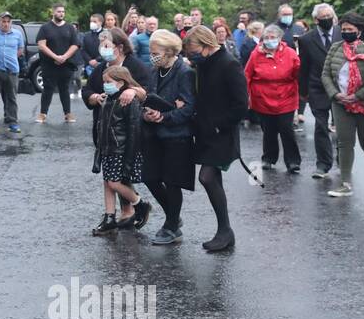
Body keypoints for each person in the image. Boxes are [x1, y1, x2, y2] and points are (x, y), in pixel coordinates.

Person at [183, 25, 249, 252]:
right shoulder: (204, 64)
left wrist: (219, 125)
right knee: (213, 179)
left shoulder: (229, 64)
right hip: (205, 131)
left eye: (192, 50)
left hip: (222, 133)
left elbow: (242, 105)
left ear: (206, 44)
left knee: (207, 177)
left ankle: (225, 230)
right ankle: (225, 231)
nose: (190, 55)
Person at [319, 13, 364, 197]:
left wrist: (358, 95)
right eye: (343, 30)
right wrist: (335, 94)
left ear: (359, 30)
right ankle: (345, 183)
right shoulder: (335, 48)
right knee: (344, 142)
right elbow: (325, 74)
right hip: (341, 103)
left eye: (350, 30)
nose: (346, 32)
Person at [141, 30, 196, 245]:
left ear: (169, 51)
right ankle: (173, 216)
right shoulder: (155, 70)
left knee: (173, 182)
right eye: (151, 52)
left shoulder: (184, 71)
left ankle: (172, 226)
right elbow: (149, 97)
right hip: (155, 133)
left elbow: (189, 107)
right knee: (150, 177)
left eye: (156, 52)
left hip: (177, 135)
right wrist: (147, 113)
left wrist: (163, 116)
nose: (152, 56)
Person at [89, 65, 152, 234]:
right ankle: (109, 216)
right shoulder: (107, 98)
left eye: (108, 82)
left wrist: (130, 157)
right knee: (107, 182)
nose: (105, 85)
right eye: (104, 82)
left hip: (121, 149)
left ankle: (140, 204)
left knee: (114, 182)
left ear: (121, 82)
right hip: (107, 147)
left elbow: (134, 129)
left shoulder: (128, 100)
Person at [244, 23, 302, 173]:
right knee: (268, 130)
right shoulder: (256, 54)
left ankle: (293, 162)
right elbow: (247, 75)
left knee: (286, 129)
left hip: (286, 98)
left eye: (273, 37)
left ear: (280, 38)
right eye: (267, 37)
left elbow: (299, 72)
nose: (270, 40)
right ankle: (268, 158)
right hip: (263, 99)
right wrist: (246, 95)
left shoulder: (290, 53)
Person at [297, 3, 340, 179]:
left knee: (342, 128)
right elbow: (304, 67)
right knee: (321, 126)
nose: (327, 20)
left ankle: (344, 161)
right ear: (316, 20)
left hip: (340, 88)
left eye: (330, 16)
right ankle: (323, 164)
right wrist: (303, 91)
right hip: (317, 88)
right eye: (323, 17)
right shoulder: (306, 39)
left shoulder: (341, 34)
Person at [36, 3, 79, 124]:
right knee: (48, 89)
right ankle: (43, 114)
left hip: (66, 64)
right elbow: (41, 45)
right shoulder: (45, 28)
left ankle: (68, 114)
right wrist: (55, 56)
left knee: (64, 89)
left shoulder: (70, 28)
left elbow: (75, 45)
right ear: (53, 12)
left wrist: (64, 57)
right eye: (59, 11)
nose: (61, 14)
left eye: (63, 12)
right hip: (49, 64)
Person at [0, 11, 26, 132]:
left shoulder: (17, 34)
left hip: (12, 70)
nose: (6, 24)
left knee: (12, 98)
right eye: (3, 21)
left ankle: (13, 122)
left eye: (8, 21)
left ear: (11, 23)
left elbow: (20, 50)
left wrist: (10, 58)